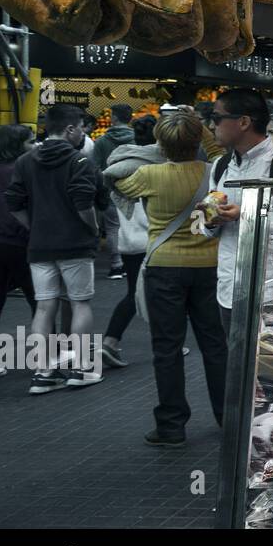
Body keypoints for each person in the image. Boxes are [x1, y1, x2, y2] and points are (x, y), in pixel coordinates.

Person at [115, 110, 225, 446]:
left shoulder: (148, 174)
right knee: (216, 346)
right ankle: (227, 417)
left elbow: (117, 179)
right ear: (198, 141)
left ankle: (171, 425)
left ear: (160, 143)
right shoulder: (215, 173)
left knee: (167, 348)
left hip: (163, 268)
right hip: (210, 265)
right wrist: (201, 127)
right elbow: (219, 153)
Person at [4, 103, 110, 394]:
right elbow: (84, 203)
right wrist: (91, 228)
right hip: (75, 244)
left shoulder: (25, 161)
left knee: (44, 305)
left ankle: (43, 373)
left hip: (39, 246)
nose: (83, 134)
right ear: (70, 129)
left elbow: (13, 202)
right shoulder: (79, 162)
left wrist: (34, 226)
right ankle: (80, 369)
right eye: (81, 128)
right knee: (79, 303)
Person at [202, 89, 273, 335]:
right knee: (235, 365)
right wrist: (210, 219)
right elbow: (207, 230)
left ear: (243, 122)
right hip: (230, 289)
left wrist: (247, 214)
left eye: (217, 117)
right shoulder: (220, 166)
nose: (212, 125)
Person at [99, 115, 160, 368]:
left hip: (129, 238)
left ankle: (111, 342)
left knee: (137, 292)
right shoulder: (159, 165)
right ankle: (112, 342)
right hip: (151, 239)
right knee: (152, 294)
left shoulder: (123, 162)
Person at [0, 125, 36, 332]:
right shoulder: (24, 171)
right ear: (16, 146)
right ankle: (50, 353)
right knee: (40, 300)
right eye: (31, 141)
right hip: (21, 240)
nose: (36, 145)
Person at [94, 103, 135, 279]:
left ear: (114, 118)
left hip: (110, 189)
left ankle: (116, 264)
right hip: (135, 189)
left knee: (112, 228)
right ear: (130, 118)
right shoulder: (137, 138)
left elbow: (95, 167)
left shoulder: (102, 141)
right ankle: (132, 262)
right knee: (134, 226)